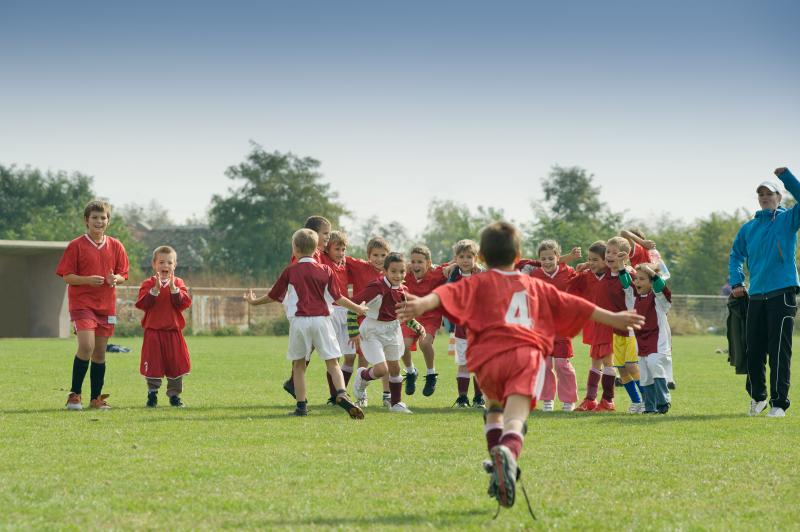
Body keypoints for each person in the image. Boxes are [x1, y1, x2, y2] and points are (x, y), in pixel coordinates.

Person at [397, 221, 644, 510]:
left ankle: (497, 461)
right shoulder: (534, 285)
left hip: (488, 358)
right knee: (515, 417)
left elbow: (445, 295)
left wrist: (422, 304)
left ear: (483, 258)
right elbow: (574, 305)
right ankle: (508, 453)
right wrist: (614, 319)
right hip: (525, 356)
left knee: (493, 409)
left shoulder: (476, 282)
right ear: (518, 255)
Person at [244, 228, 367, 418]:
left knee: (299, 366)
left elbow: (273, 295)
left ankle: (301, 407)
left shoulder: (291, 270)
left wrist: (254, 301)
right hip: (322, 321)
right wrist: (358, 309)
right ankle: (341, 393)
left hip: (300, 322)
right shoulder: (326, 270)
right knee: (333, 363)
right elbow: (338, 297)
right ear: (316, 248)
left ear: (295, 248)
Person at [729, 167, 800, 418]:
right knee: (754, 350)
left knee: (779, 349)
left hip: (782, 293)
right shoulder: (748, 228)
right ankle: (758, 397)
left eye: (769, 194)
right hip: (756, 295)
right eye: (761, 194)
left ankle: (779, 403)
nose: (765, 197)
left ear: (779, 197)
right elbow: (736, 255)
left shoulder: (789, 220)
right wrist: (737, 282)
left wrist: (787, 177)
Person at [56, 200, 129, 410]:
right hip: (82, 305)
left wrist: (115, 278)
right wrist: (87, 279)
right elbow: (67, 277)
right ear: (86, 220)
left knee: (99, 353)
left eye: (103, 217)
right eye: (94, 217)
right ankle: (74, 395)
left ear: (108, 221)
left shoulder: (116, 245)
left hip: (106, 307)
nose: (99, 221)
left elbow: (123, 275)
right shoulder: (76, 245)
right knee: (86, 346)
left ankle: (96, 399)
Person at [350, 253, 425, 413]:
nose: (398, 275)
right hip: (372, 331)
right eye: (393, 271)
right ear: (385, 271)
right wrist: (353, 331)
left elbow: (401, 314)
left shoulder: (403, 290)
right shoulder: (376, 288)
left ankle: (396, 404)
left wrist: (416, 325)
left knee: (395, 368)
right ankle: (363, 376)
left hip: (392, 329)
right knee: (381, 370)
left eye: (401, 272)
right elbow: (352, 306)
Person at [282, 215, 332, 399]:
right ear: (314, 234)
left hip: (308, 306)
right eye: (325, 233)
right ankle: (296, 383)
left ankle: (293, 382)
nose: (328, 237)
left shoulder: (317, 253)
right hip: (302, 307)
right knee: (308, 347)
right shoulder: (308, 255)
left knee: (308, 346)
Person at [135, 246, 192, 408]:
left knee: (176, 364)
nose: (165, 266)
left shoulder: (179, 283)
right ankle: (152, 395)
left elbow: (184, 303)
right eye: (161, 262)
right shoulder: (148, 283)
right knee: (153, 364)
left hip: (173, 333)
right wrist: (155, 290)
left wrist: (174, 290)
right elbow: (142, 304)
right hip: (153, 333)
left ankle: (174, 396)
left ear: (174, 265)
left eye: (169, 262)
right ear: (154, 264)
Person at [567, 241, 617, 412]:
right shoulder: (587, 276)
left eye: (596, 260)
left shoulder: (614, 274)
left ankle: (608, 400)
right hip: (593, 325)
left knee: (608, 361)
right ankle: (590, 399)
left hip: (609, 324)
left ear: (606, 260)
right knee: (595, 362)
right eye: (590, 259)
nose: (592, 263)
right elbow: (570, 288)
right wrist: (579, 270)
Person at [530, 240, 579, 412]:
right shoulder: (534, 275)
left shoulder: (569, 272)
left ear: (558, 258)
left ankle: (568, 400)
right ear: (539, 260)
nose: (548, 262)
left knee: (562, 364)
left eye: (551, 258)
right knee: (545, 364)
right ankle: (547, 399)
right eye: (544, 259)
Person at [346, 236, 392, 407]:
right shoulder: (359, 266)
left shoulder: (392, 270)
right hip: (362, 321)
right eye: (375, 255)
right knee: (363, 357)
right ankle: (361, 393)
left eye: (383, 255)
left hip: (384, 322)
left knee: (388, 359)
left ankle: (387, 395)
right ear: (368, 255)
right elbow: (338, 255)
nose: (379, 259)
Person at [621, 263, 672, 414]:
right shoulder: (634, 298)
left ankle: (664, 401)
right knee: (645, 374)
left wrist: (654, 274)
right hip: (641, 342)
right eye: (636, 279)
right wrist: (622, 268)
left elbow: (661, 288)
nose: (637, 282)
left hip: (658, 342)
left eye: (642, 279)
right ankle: (650, 408)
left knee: (654, 363)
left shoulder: (659, 300)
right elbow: (625, 284)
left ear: (651, 282)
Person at [604, 236, 644, 414]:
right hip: (616, 328)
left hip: (631, 327)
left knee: (631, 365)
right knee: (620, 367)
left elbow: (630, 288)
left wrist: (623, 268)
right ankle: (636, 401)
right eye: (608, 252)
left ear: (625, 256)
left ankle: (646, 399)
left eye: (615, 252)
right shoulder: (606, 273)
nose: (610, 255)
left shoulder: (630, 274)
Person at [401, 245, 447, 397]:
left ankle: (431, 374)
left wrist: (452, 267)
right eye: (413, 261)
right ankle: (410, 372)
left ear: (428, 263)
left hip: (431, 317)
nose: (416, 265)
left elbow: (455, 263)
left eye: (420, 262)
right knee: (403, 346)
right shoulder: (405, 273)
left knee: (425, 343)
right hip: (411, 316)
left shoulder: (437, 273)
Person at [446, 239, 485, 408]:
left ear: (475, 258)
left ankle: (478, 398)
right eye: (461, 256)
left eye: (469, 256)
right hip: (461, 329)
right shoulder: (453, 275)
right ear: (456, 258)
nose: (465, 260)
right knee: (463, 364)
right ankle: (462, 398)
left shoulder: (482, 274)